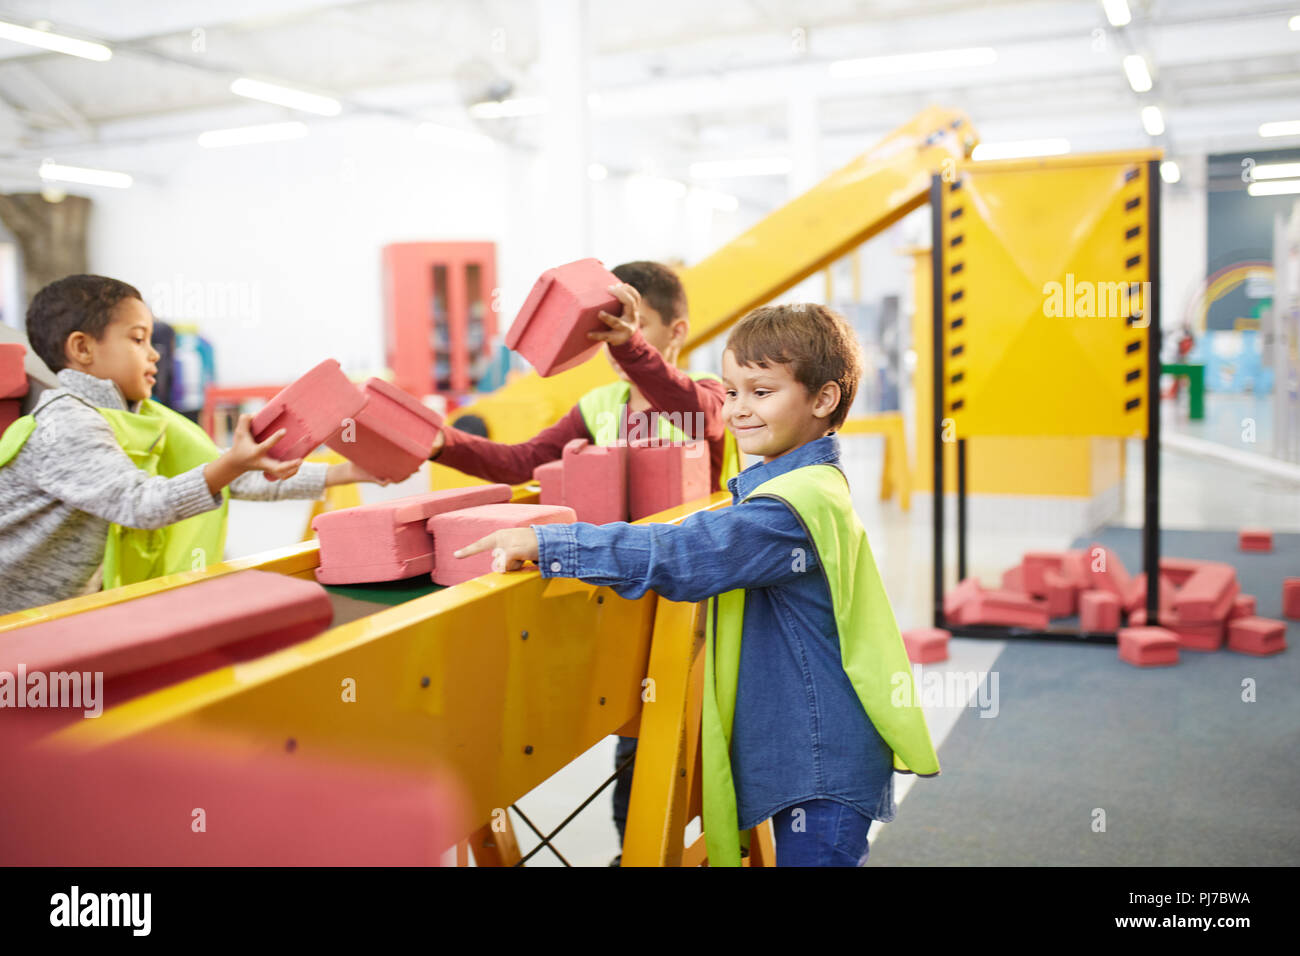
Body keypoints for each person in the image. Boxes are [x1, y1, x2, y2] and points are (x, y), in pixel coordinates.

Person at [452, 303, 940, 867]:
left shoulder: (790, 506)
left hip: (820, 758)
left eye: (761, 392)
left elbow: (685, 553)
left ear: (824, 399)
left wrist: (552, 545)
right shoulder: (801, 483)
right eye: (732, 393)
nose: (737, 410)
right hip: (809, 745)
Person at [428, 260, 740, 859]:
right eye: (611, 330)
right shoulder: (599, 406)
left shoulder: (707, 394)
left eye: (637, 325)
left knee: (691, 751)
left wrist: (633, 352)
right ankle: (638, 849)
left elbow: (695, 414)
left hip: (695, 617)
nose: (621, 341)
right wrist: (443, 441)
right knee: (633, 749)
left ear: (677, 329)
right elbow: (520, 461)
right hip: (621, 607)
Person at [0, 274, 383, 616]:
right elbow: (142, 504)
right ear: (82, 349)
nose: (155, 353)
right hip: (18, 617)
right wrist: (232, 464)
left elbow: (229, 476)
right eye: (138, 339)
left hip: (66, 609)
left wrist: (346, 472)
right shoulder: (67, 422)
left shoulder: (142, 417)